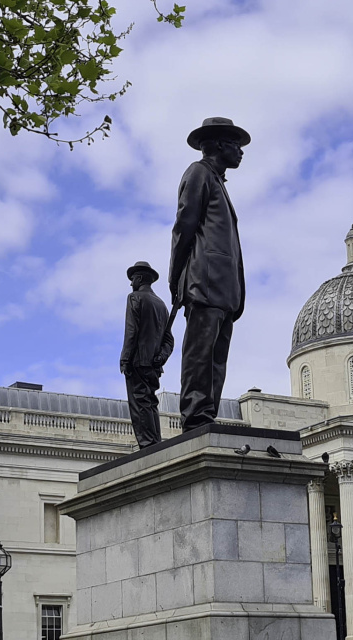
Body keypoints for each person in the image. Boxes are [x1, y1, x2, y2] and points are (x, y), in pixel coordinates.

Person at [169, 117, 250, 431]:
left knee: (217, 357)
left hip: (224, 290)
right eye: (234, 144)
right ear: (217, 145)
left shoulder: (217, 181)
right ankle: (195, 414)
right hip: (203, 282)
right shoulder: (199, 173)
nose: (240, 151)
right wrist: (176, 277)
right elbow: (183, 228)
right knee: (200, 353)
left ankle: (207, 414)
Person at [120, 261, 174, 448]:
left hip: (138, 361)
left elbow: (131, 331)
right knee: (150, 402)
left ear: (140, 278)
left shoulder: (134, 298)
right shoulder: (162, 305)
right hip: (154, 365)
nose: (130, 283)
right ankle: (155, 441)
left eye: (133, 279)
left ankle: (147, 443)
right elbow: (169, 340)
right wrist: (161, 358)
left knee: (139, 403)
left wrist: (125, 359)